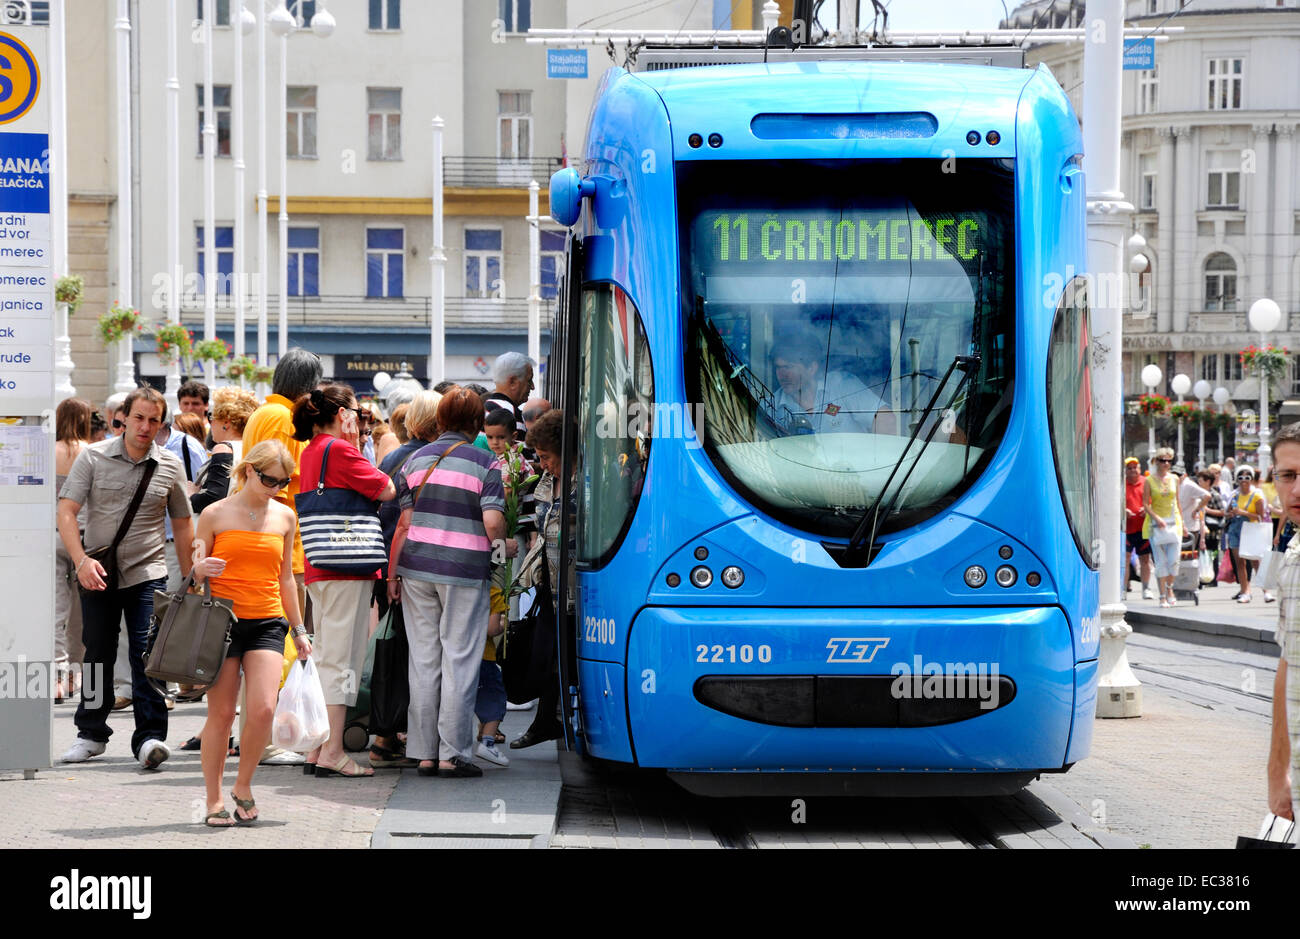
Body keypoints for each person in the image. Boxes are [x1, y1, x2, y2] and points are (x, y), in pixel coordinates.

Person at [57, 387, 194, 768]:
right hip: (98, 570)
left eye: (154, 420)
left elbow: (183, 524)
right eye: (139, 418)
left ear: (162, 424)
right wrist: (81, 561)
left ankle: (150, 737)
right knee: (97, 652)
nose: (145, 426)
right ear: (123, 419)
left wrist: (189, 577)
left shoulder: (169, 465)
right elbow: (66, 511)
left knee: (146, 653)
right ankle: (91, 734)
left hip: (148, 572)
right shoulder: (94, 457)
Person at [389, 387, 512, 777]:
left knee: (424, 659)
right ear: (477, 424)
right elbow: (492, 523)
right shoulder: (485, 463)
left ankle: (423, 752)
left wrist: (393, 574)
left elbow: (404, 524)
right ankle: (453, 753)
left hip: (416, 570)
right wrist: (505, 539)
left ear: (439, 420)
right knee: (459, 657)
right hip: (463, 571)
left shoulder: (413, 461)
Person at [190, 441, 311, 826]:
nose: (276, 487)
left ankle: (243, 785)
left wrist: (300, 629)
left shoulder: (285, 517)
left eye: (283, 481)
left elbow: (287, 580)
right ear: (248, 471)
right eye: (269, 479)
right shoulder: (214, 514)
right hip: (221, 622)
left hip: (267, 620)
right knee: (223, 714)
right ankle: (213, 799)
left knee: (263, 709)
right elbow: (193, 573)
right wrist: (199, 570)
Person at [294, 384, 397, 777]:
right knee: (343, 661)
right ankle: (334, 749)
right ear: (343, 415)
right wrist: (356, 443)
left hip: (323, 566)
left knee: (327, 658)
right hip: (345, 569)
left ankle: (318, 748)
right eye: (357, 412)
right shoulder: (338, 449)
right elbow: (385, 488)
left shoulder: (312, 451)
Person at [240, 348, 323, 767]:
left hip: (264, 539)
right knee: (284, 640)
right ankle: (272, 737)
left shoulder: (261, 414)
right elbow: (293, 480)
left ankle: (259, 735)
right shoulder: (283, 418)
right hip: (283, 546)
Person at [512, 409, 567, 749]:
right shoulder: (547, 481)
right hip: (549, 579)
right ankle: (546, 721)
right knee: (546, 653)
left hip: (579, 584)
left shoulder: (594, 478)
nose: (543, 464)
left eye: (547, 457)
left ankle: (554, 720)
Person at [1266, 422, 1300, 828]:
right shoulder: (1292, 553)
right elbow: (1288, 662)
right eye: (1288, 476)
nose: (1296, 490)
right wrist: (1277, 770)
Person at [770, 327, 888, 435]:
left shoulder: (843, 385)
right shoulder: (771, 406)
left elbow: (885, 418)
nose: (782, 375)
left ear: (811, 368)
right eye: (778, 368)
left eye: (788, 367)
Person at [54, 398, 93, 702]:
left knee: (55, 608)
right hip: (84, 537)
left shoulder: (46, 451)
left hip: (52, 534)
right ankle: (74, 675)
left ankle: (55, 675)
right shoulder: (91, 452)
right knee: (81, 611)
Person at [191, 385, 260, 515]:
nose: (211, 423)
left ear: (226, 423)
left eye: (212, 418)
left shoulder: (224, 448)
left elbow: (213, 498)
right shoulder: (252, 447)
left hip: (219, 527)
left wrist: (191, 494)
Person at [1142, 448, 1183, 608]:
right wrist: (1156, 518)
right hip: (1156, 524)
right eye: (1162, 460)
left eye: (1168, 461)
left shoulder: (1174, 479)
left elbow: (1177, 502)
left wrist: (1184, 524)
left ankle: (1169, 588)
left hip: (1174, 523)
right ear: (1156, 461)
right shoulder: (1149, 480)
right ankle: (1162, 596)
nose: (1166, 463)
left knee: (1174, 561)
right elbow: (1145, 504)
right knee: (1160, 562)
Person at [1226, 465, 1266, 603]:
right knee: (1240, 563)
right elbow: (1227, 512)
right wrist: (1231, 513)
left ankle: (1265, 590)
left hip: (1251, 530)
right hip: (1235, 530)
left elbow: (1261, 516)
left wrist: (1244, 513)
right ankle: (1245, 591)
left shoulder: (1257, 495)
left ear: (1251, 479)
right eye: (1241, 478)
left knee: (1255, 561)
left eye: (1247, 477)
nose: (1244, 480)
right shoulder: (1234, 495)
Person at [484, 352, 535, 441]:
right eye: (529, 381)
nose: (532, 387)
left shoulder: (483, 409)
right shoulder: (510, 414)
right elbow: (519, 454)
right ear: (513, 382)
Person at [1123, 457, 1155, 598]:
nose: (1132, 471)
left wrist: (1146, 509)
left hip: (1143, 528)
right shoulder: (1121, 484)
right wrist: (1123, 510)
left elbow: (1154, 501)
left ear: (1139, 469)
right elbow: (1115, 502)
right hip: (1126, 529)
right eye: (1129, 468)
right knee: (1125, 559)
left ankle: (1146, 588)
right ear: (1125, 470)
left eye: (1134, 467)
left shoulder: (1146, 482)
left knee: (1145, 559)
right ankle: (1123, 589)